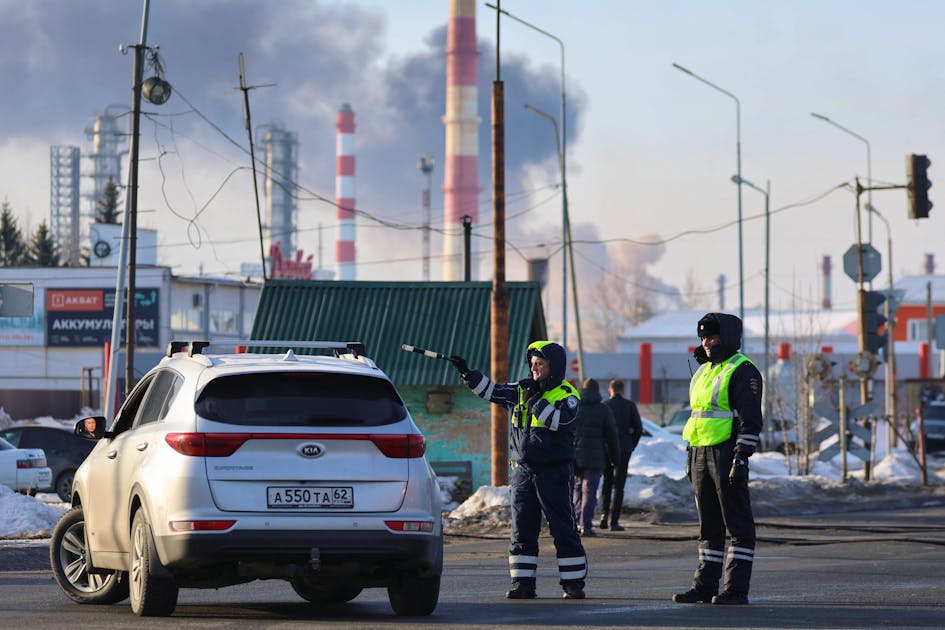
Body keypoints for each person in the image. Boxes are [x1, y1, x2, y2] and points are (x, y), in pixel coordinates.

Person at [450, 340, 588, 600]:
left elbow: (558, 422)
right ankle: (522, 584)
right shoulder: (520, 390)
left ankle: (573, 584)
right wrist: (468, 374)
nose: (534, 369)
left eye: (540, 364)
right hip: (523, 472)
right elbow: (492, 391)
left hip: (554, 472)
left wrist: (534, 397)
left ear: (554, 367)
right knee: (522, 529)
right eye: (532, 364)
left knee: (562, 527)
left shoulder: (567, 395)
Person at [673, 312, 763, 607]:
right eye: (703, 338)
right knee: (708, 527)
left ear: (726, 337)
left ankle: (736, 589)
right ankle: (704, 586)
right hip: (700, 453)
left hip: (726, 452)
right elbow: (698, 416)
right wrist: (691, 454)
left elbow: (750, 419)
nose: (706, 343)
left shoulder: (743, 370)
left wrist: (742, 457)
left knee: (737, 525)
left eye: (712, 337)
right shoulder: (702, 370)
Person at [573, 378, 619, 537]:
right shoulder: (603, 410)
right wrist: (615, 458)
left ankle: (576, 523)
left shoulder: (575, 407)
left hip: (575, 457)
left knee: (576, 489)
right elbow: (612, 436)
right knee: (589, 492)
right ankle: (585, 525)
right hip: (595, 458)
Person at [600, 379, 643, 531]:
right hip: (624, 448)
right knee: (619, 485)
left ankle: (604, 516)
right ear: (623, 390)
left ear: (610, 390)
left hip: (606, 449)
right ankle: (614, 521)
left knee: (607, 482)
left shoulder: (604, 405)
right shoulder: (629, 405)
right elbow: (638, 428)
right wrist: (632, 444)